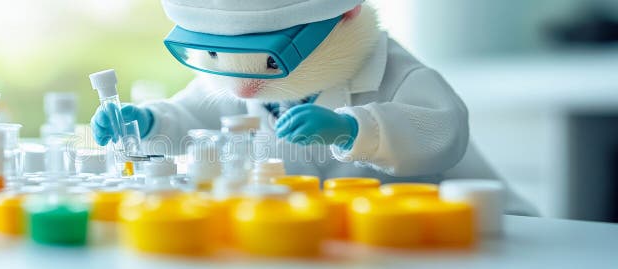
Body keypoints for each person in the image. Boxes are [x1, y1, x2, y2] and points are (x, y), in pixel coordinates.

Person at [91, 0, 536, 215]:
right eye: (213, 56)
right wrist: (150, 121)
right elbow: (196, 117)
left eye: (271, 60)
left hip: (444, 235)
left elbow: (443, 133)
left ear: (345, 14)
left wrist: (352, 131)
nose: (245, 90)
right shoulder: (233, 77)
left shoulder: (398, 75)